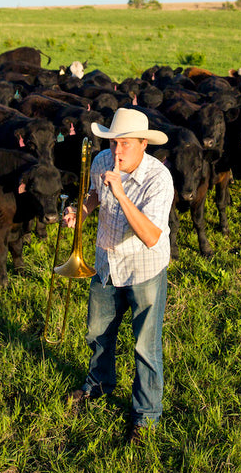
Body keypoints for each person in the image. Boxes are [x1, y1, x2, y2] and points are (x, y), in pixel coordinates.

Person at [62, 107, 174, 442]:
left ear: (143, 144)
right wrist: (82, 211)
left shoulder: (159, 179)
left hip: (144, 269)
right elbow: (95, 194)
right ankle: (98, 385)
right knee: (97, 333)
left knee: (145, 345)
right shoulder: (101, 162)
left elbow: (150, 236)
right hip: (106, 263)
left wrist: (122, 193)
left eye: (125, 143)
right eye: (113, 142)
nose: (117, 150)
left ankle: (146, 415)